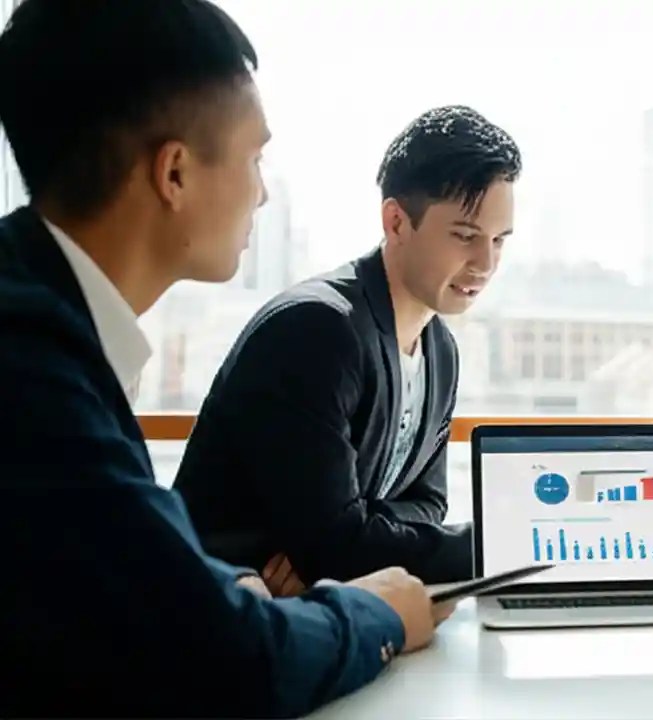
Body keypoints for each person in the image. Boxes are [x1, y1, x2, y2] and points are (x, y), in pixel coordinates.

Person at [0, 1, 449, 715]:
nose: (262, 191)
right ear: (174, 173)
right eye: (254, 156)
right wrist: (382, 614)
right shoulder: (30, 368)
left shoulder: (46, 317)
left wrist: (210, 584)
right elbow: (226, 661)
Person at [173, 105, 519, 592]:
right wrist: (505, 546)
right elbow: (337, 542)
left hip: (315, 605)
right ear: (396, 222)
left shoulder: (440, 349)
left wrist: (343, 544)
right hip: (223, 612)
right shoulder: (316, 330)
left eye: (499, 240)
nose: (485, 263)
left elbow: (425, 503)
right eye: (465, 236)